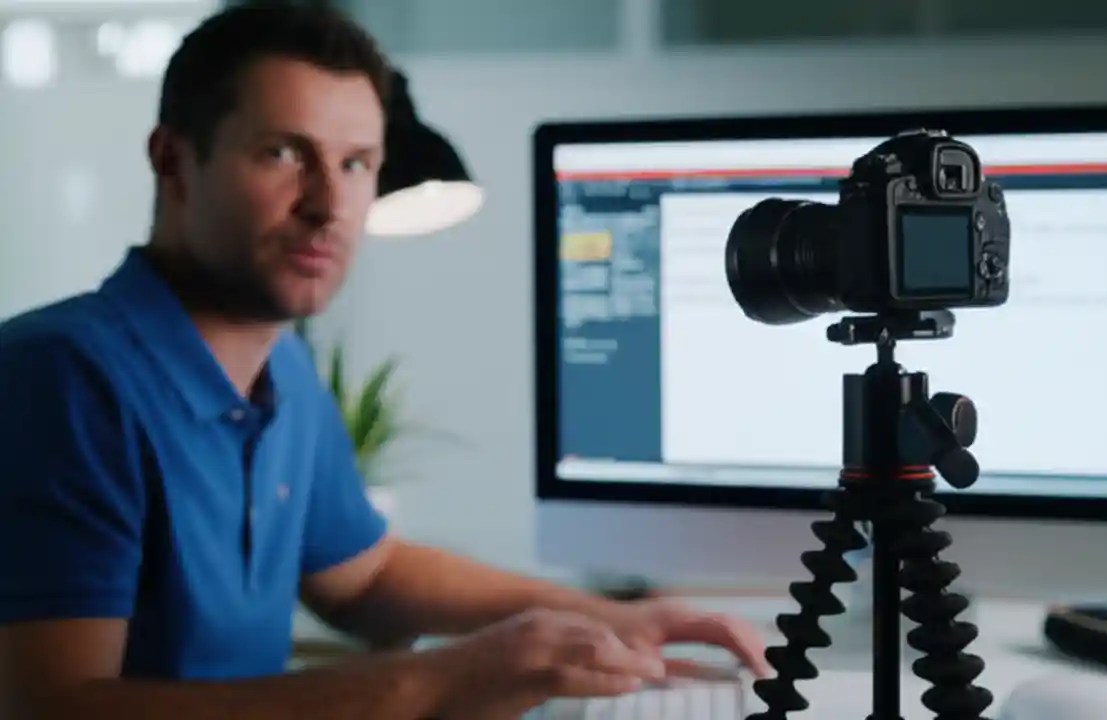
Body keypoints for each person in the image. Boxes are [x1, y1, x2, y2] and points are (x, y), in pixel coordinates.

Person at [0, 5, 768, 719]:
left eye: (358, 164)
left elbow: (365, 576)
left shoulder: (283, 369)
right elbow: (58, 708)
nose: (330, 205)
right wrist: (439, 680)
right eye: (283, 153)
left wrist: (611, 618)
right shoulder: (64, 378)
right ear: (173, 160)